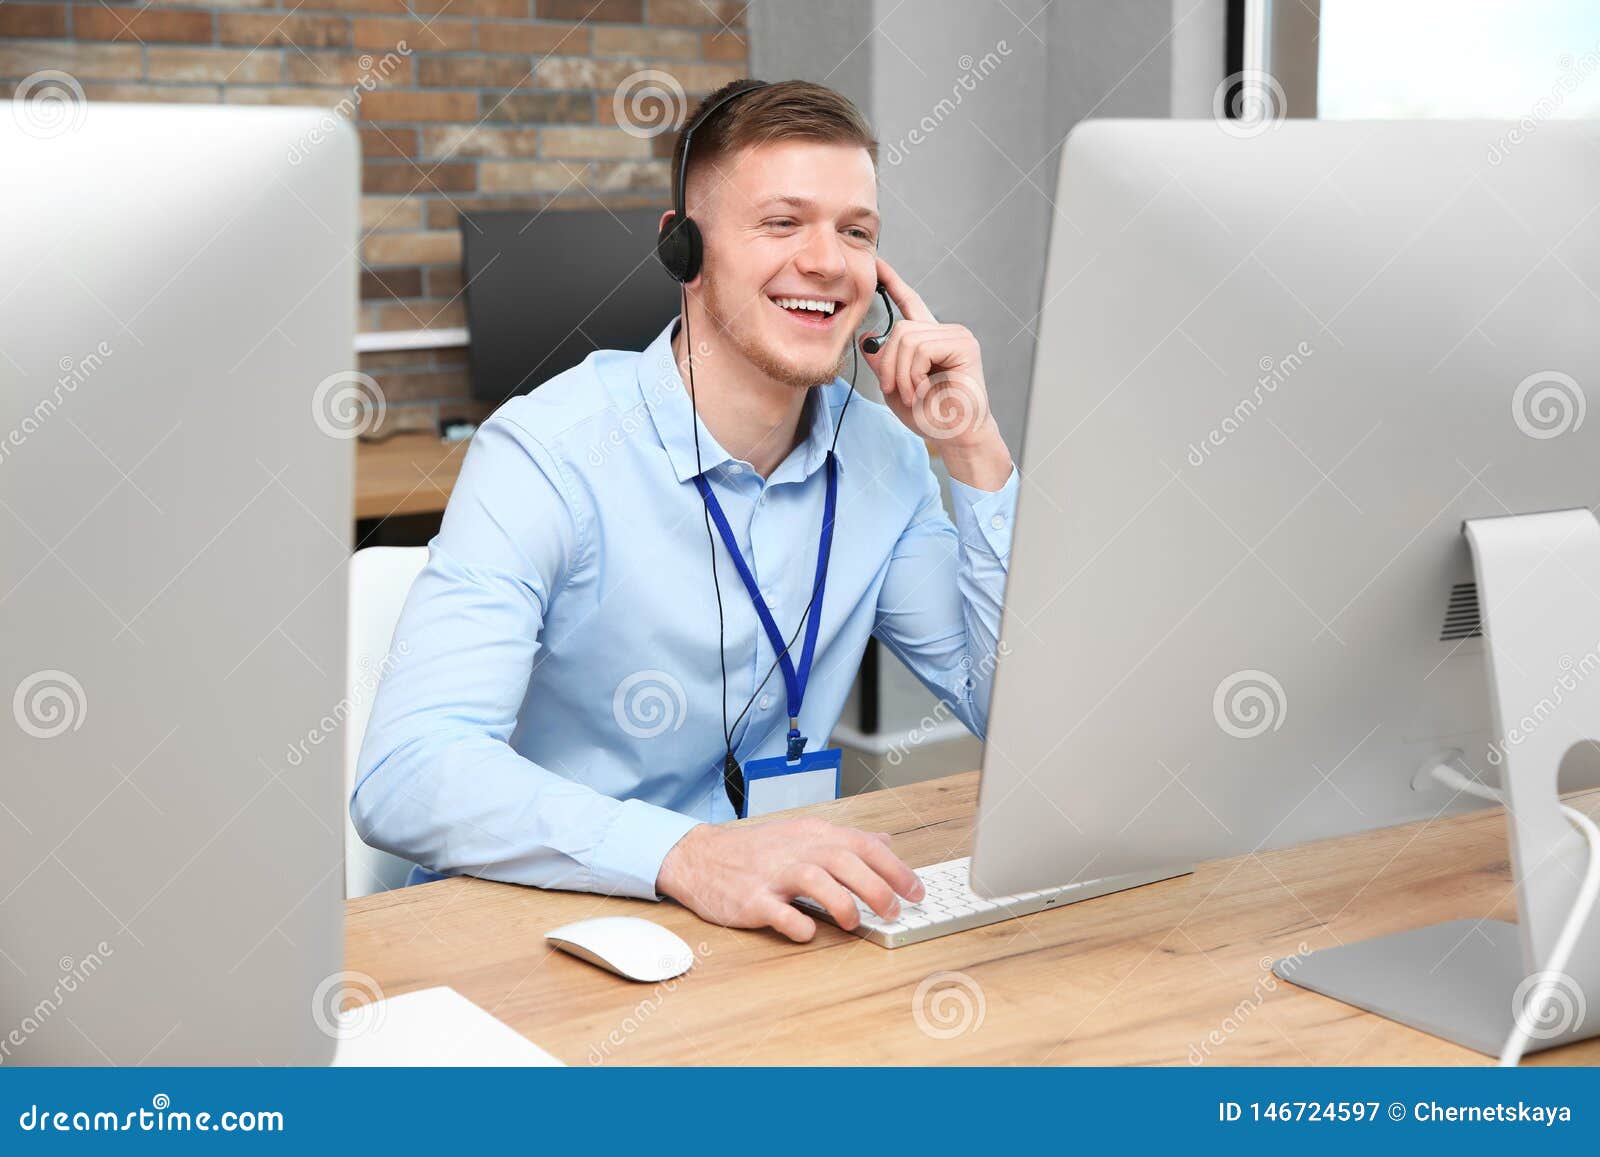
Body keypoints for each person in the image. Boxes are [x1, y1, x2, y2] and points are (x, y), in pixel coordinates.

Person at [352, 78, 1017, 943]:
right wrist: (691, 854)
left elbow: (1013, 711)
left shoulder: (882, 457)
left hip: (767, 933)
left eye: (856, 232)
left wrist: (975, 449)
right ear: (685, 253)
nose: (827, 261)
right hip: (537, 929)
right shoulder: (548, 454)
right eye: (783, 222)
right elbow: (407, 772)